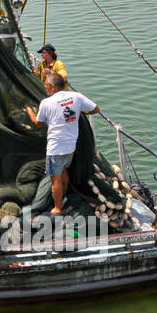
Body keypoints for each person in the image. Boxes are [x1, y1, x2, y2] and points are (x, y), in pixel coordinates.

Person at [23, 72, 100, 214]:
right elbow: (96, 109)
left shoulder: (46, 103)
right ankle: (63, 198)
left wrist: (29, 111)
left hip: (55, 148)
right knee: (63, 171)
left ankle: (57, 208)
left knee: (55, 180)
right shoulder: (76, 96)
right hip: (70, 146)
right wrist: (78, 113)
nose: (45, 88)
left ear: (52, 87)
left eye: (46, 85)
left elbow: (37, 123)